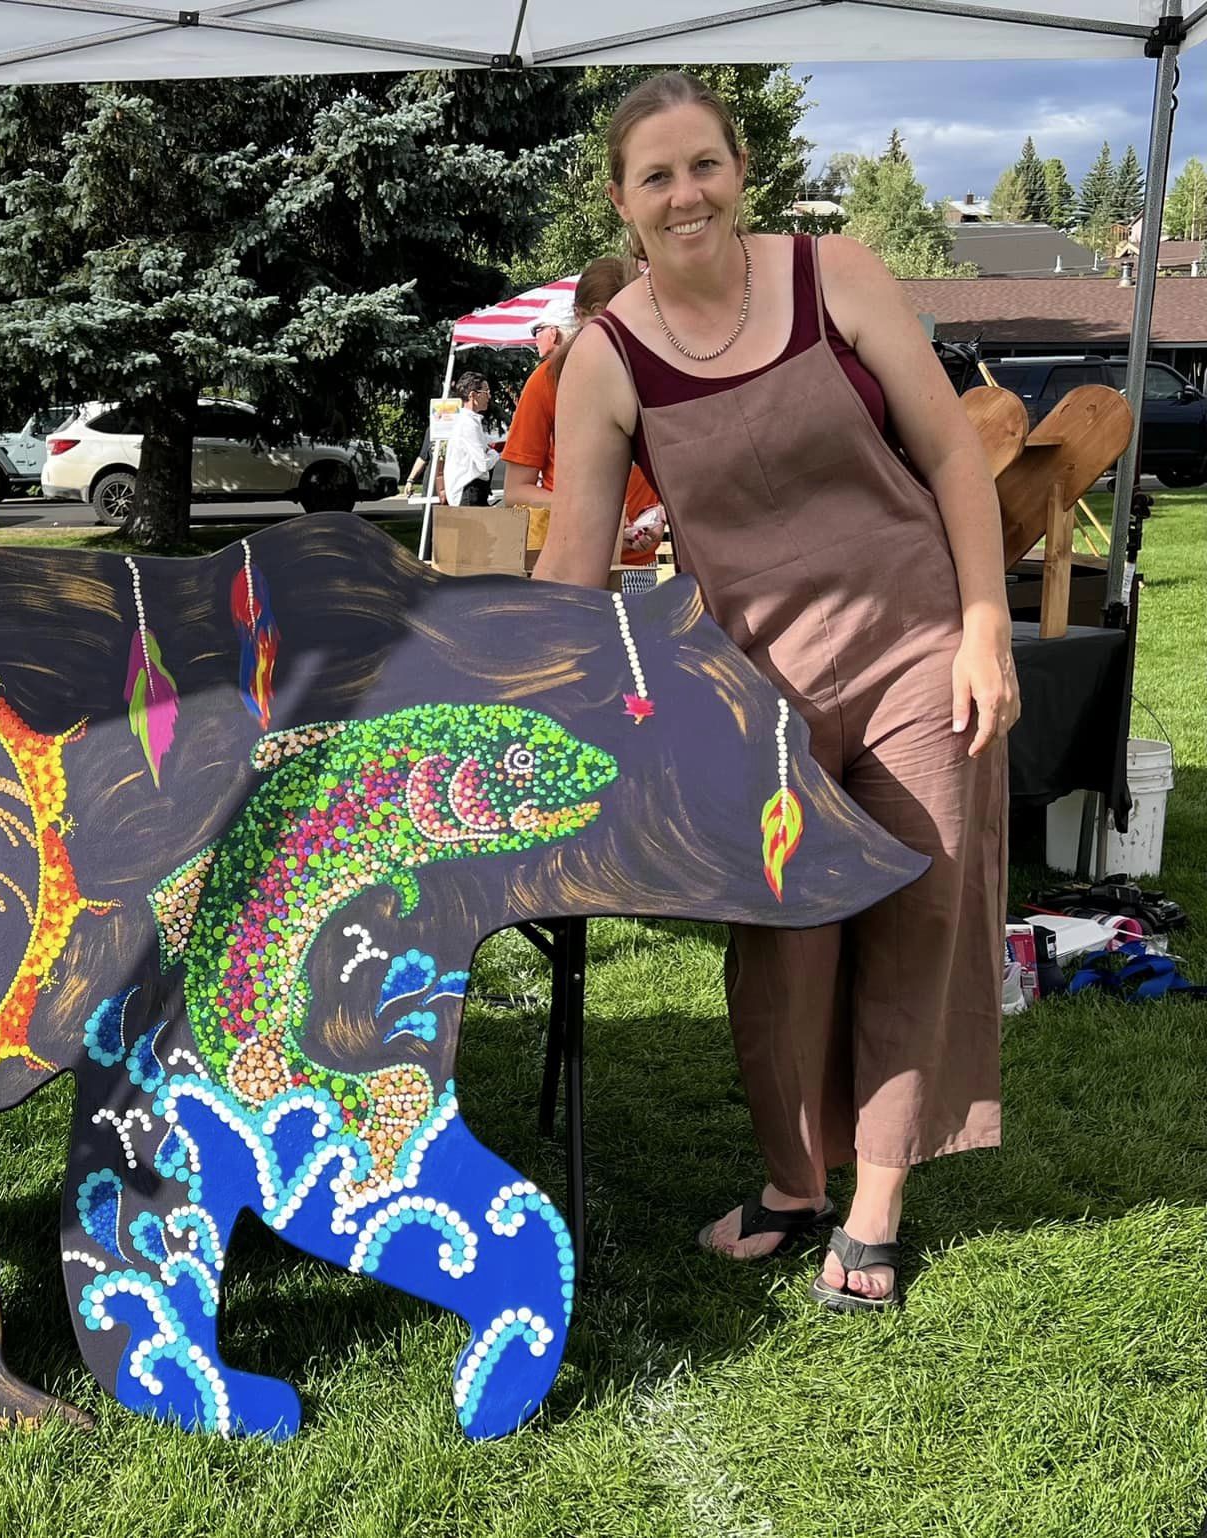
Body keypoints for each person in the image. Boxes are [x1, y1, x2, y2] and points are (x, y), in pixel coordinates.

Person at [538, 71, 1019, 1312]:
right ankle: (794, 1180)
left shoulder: (835, 275)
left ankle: (872, 1202)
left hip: (917, 646)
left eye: (702, 163)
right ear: (621, 201)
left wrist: (983, 632)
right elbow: (572, 573)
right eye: (656, 174)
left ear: (737, 168)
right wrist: (529, 698)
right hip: (753, 701)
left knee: (918, 913)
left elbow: (950, 452)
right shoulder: (605, 358)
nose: (683, 192)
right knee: (781, 946)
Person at [500, 257, 668, 583]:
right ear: (580, 315)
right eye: (608, 321)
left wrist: (656, 516)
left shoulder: (651, 377)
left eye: (632, 320)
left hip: (637, 566)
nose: (622, 336)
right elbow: (516, 491)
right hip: (573, 562)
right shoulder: (547, 381)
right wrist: (593, 511)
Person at [443, 372, 498, 506]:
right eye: (486, 392)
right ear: (472, 395)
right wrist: (496, 453)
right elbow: (483, 464)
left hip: (472, 490)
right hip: (469, 491)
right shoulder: (468, 424)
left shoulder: (470, 421)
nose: (489, 396)